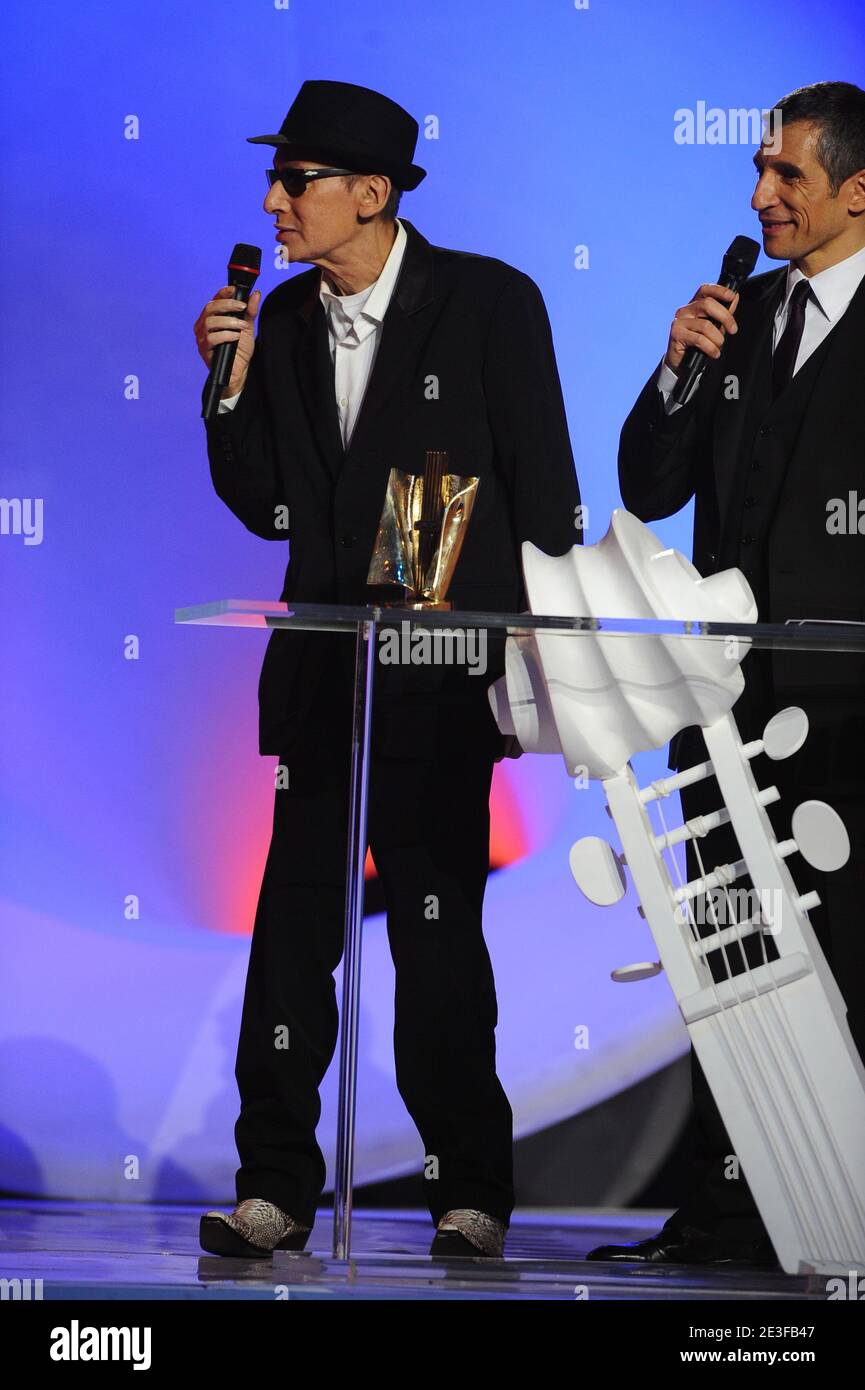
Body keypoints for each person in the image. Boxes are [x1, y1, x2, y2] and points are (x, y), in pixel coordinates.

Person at [192, 80, 582, 1258]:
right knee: (292, 929)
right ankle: (272, 1187)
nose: (274, 203)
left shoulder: (486, 301)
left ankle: (468, 1186)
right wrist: (227, 387)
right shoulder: (292, 322)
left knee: (434, 931)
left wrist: (498, 640)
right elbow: (266, 508)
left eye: (295, 182)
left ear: (373, 194)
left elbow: (546, 493)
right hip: (324, 675)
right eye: (275, 180)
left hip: (436, 680)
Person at [589, 80, 865, 1266]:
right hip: (726, 715)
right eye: (758, 169)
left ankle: (842, 1210)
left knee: (846, 958)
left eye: (788, 177)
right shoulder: (738, 315)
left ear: (857, 190)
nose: (760, 196)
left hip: (851, 716)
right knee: (728, 957)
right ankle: (725, 1212)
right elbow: (648, 488)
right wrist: (675, 368)